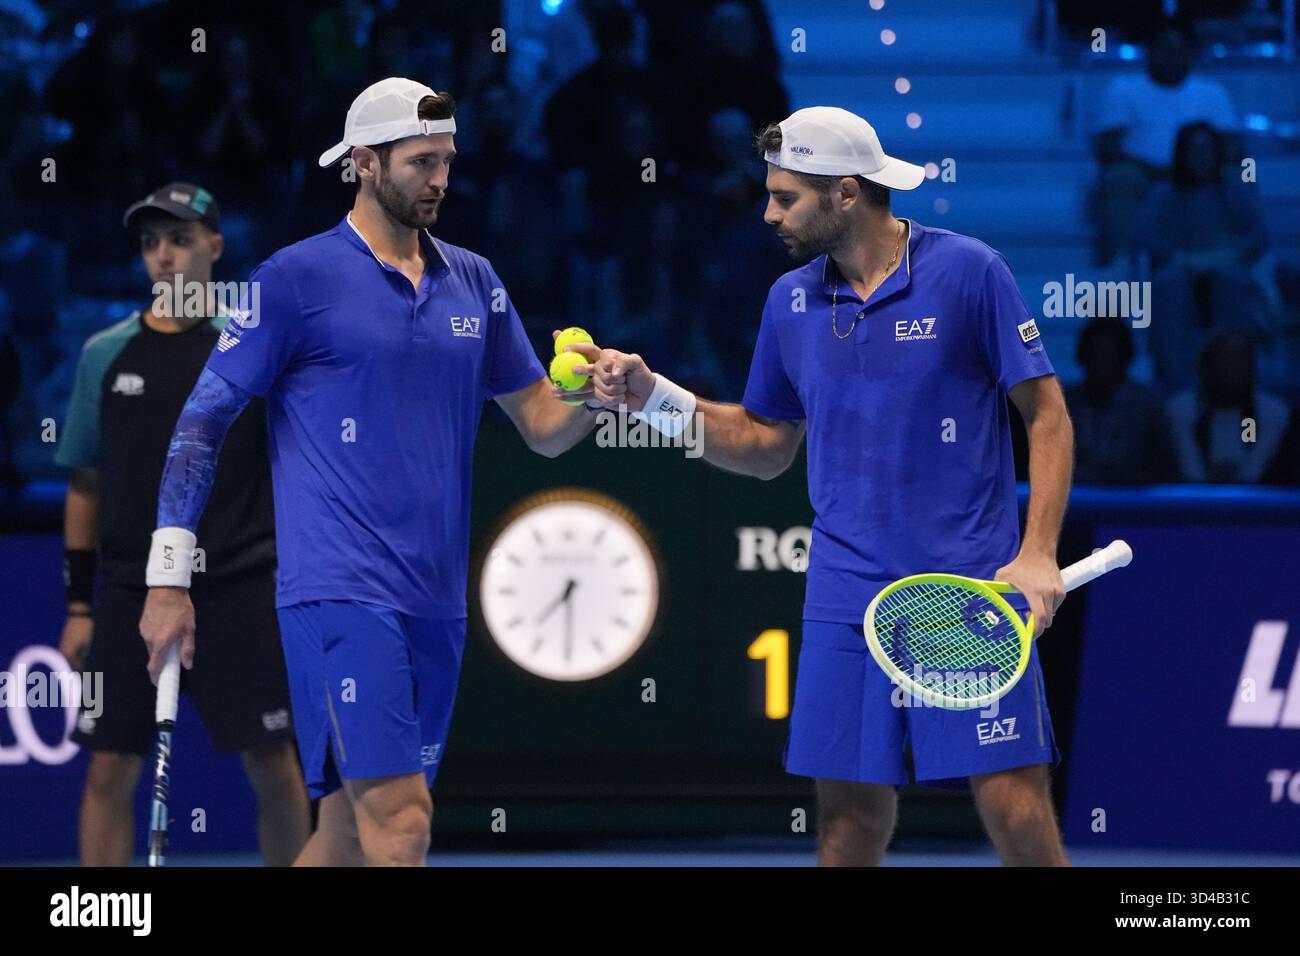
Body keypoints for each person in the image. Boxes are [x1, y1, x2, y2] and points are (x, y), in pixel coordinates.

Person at [574, 107, 1076, 866]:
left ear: (846, 194)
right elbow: (763, 445)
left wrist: (1038, 552)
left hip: (968, 586)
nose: (768, 212)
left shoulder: (970, 272)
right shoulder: (790, 302)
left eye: (786, 197)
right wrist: (653, 399)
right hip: (847, 593)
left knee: (1016, 811)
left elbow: (1047, 417)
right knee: (846, 826)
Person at [138, 80, 603, 867]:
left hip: (436, 600)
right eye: (422, 161)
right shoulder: (293, 280)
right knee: (403, 823)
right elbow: (200, 425)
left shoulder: (476, 283)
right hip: (338, 591)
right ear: (363, 162)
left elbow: (544, 428)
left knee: (348, 835)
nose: (441, 179)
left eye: (447, 161)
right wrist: (168, 580)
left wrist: (598, 393)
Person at [55, 183, 310, 866]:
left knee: (276, 764)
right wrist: (80, 605)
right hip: (131, 592)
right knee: (109, 770)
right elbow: (84, 483)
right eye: (150, 243)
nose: (163, 257)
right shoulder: (105, 356)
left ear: (215, 247)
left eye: (181, 239)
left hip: (240, 584)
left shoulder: (251, 343)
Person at [1137, 121, 1267, 392]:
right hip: (1180, 268)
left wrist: (1226, 253)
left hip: (1226, 266)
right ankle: (1176, 381)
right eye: (1193, 151)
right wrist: (1185, 257)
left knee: (1231, 281)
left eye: (1207, 150)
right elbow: (1148, 239)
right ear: (1181, 154)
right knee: (1167, 286)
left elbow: (1257, 237)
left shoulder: (1233, 191)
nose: (1201, 158)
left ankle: (1233, 376)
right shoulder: (1164, 193)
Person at [1091, 24, 1237, 265]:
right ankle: (1124, 263)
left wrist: (1195, 169)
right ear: (1150, 53)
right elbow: (1107, 147)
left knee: (1240, 177)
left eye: (1178, 51)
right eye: (1164, 51)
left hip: (1200, 176)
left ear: (1190, 55)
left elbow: (1231, 145)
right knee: (1119, 178)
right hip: (1143, 175)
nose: (1171, 58)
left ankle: (1238, 259)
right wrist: (1159, 171)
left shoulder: (1211, 92)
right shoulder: (1124, 88)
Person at [1166, 329, 1299, 483]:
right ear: (1205, 366)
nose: (1233, 369)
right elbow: (1192, 474)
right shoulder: (1181, 408)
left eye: (1241, 360)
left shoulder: (1273, 410)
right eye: (1225, 360)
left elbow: (1253, 473)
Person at [1064, 317, 1177, 484]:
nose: (1101, 364)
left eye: (1108, 355)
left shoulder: (1147, 405)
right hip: (1074, 503)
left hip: (1134, 504)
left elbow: (1166, 467)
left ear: (1124, 357)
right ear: (1083, 356)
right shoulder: (1065, 403)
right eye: (1095, 355)